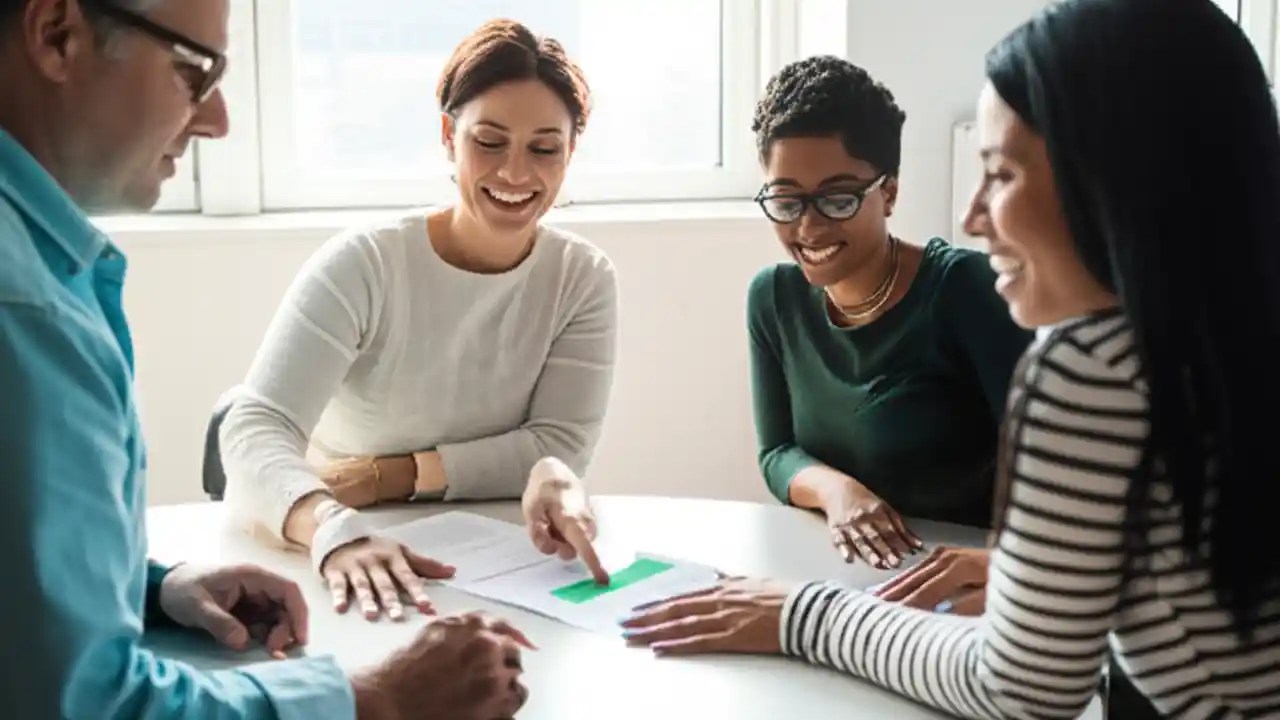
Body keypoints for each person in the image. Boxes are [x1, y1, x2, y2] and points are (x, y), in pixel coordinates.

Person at [620, 0, 1280, 716]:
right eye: (786, 199)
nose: (972, 217)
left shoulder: (1091, 368)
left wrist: (800, 616)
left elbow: (1017, 689)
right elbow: (776, 448)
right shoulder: (1217, 340)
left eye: (999, 174)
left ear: (1114, 177)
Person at [0, 1, 527, 717]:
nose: (217, 119)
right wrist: (374, 698)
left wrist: (150, 589)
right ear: (56, 34)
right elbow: (88, 705)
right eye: (196, 71)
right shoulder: (25, 313)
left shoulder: (40, 272)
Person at [219, 17, 616, 621]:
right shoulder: (365, 263)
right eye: (489, 141)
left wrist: (387, 476)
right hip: (337, 542)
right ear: (447, 136)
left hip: (494, 559)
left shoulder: (582, 277)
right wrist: (333, 526)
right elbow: (254, 426)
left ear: (569, 154)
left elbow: (559, 446)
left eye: (544, 149)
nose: (516, 173)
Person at [746, 55, 1032, 569]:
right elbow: (777, 453)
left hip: (966, 573)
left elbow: (1045, 470)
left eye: (837, 200)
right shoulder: (773, 299)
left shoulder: (963, 291)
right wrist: (840, 493)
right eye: (787, 202)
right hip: (843, 564)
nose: (808, 229)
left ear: (890, 192)